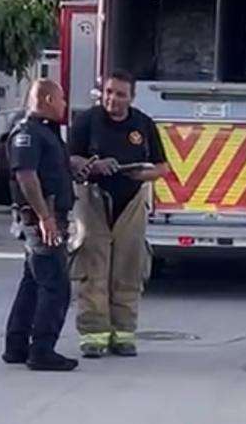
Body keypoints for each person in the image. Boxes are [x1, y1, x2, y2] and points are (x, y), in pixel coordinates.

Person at [69, 70, 167, 359]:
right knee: (93, 269)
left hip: (132, 202)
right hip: (93, 199)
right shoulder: (87, 121)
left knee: (128, 269)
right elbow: (70, 157)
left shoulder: (143, 125)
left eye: (120, 94)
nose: (112, 99)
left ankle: (124, 334)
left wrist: (140, 174)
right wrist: (93, 166)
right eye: (108, 92)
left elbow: (162, 168)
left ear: (132, 97)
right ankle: (93, 336)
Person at [3, 79, 80, 372]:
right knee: (56, 285)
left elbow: (50, 170)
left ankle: (16, 346)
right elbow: (26, 175)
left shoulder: (45, 132)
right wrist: (45, 217)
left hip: (45, 217)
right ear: (47, 99)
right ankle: (42, 350)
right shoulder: (27, 133)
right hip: (42, 220)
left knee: (33, 282)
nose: (64, 105)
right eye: (61, 99)